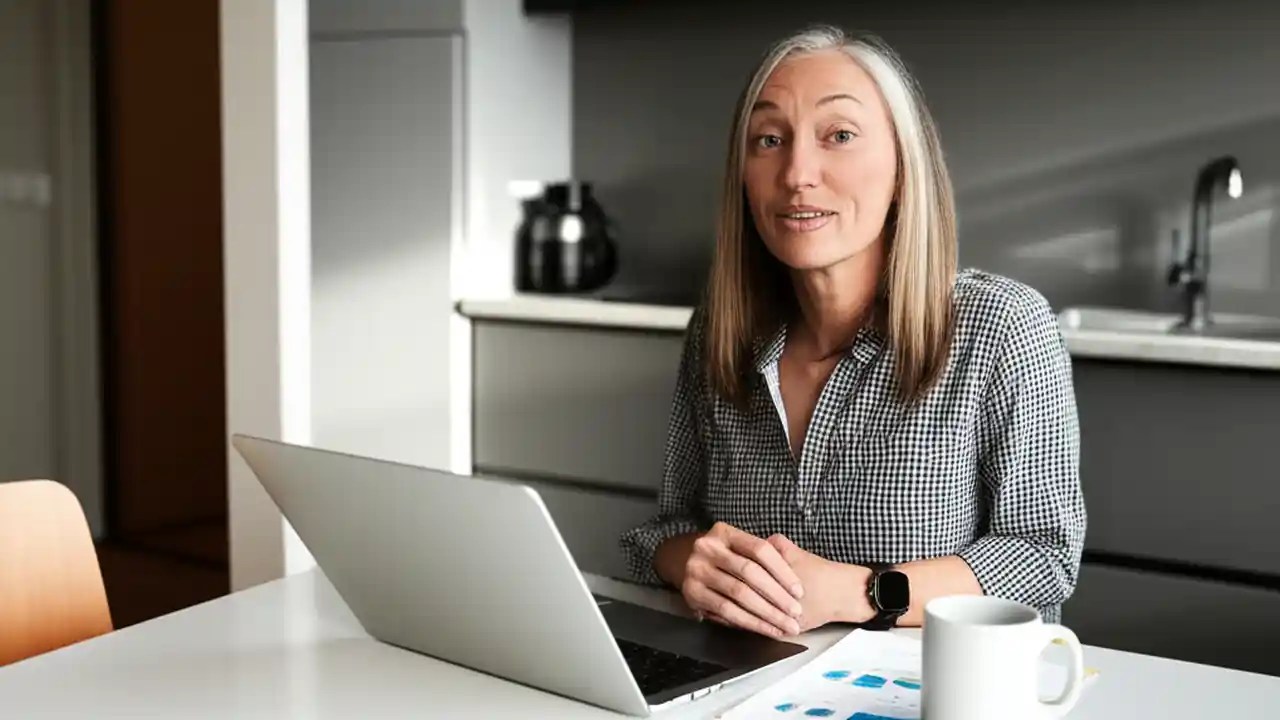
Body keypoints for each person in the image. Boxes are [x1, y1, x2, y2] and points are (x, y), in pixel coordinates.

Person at [619, 25, 1086, 640]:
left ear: (902, 163)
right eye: (769, 140)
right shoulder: (717, 333)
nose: (797, 173)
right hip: (747, 688)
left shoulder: (1002, 327)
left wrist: (856, 591)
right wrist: (693, 565)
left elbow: (1043, 558)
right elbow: (665, 533)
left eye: (839, 136)